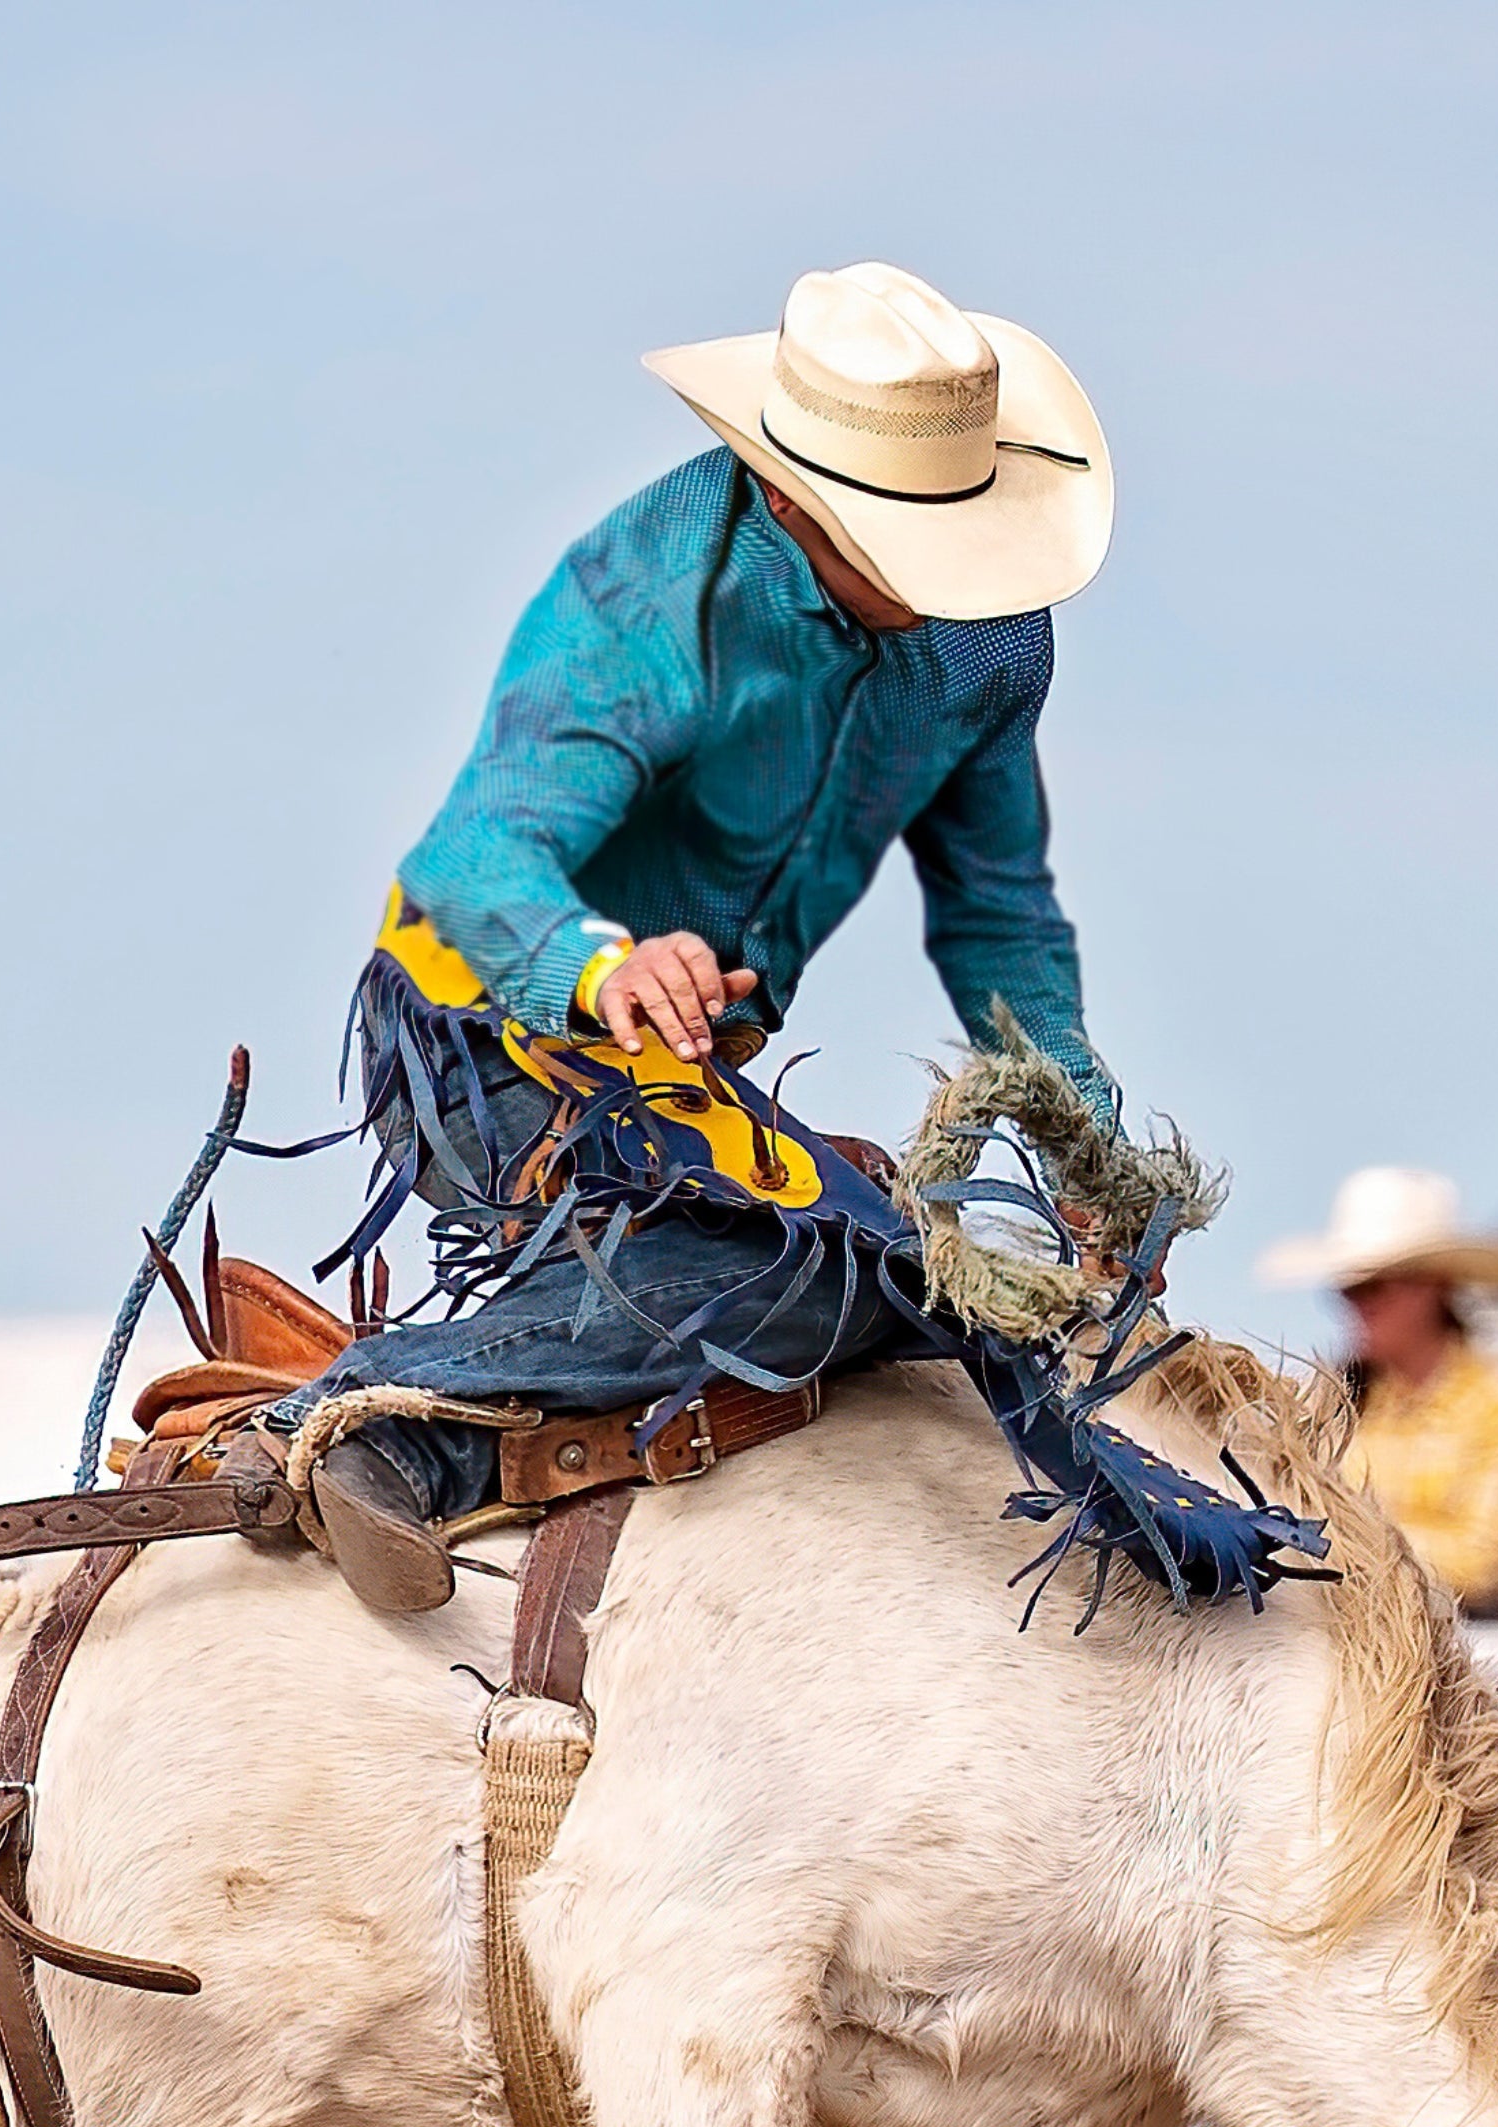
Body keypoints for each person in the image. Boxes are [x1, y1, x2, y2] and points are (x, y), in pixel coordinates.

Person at [278, 258, 1125, 1610]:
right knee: (816, 1273)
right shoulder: (645, 598)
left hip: (683, 1076)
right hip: (488, 1026)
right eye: (900, 532)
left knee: (907, 1291)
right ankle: (370, 1431)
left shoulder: (994, 641)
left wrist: (1082, 1124)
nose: (943, 572)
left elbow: (998, 907)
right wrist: (608, 967)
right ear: (790, 493)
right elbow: (473, 858)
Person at [1258, 1166, 1498, 1618]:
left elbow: (1484, 1564)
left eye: (1372, 1286)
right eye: (1347, 1288)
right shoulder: (1330, 1397)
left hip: (1453, 1644)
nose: (1355, 1305)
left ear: (1434, 1286)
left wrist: (1339, 1537)